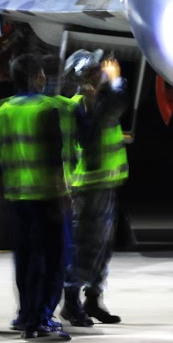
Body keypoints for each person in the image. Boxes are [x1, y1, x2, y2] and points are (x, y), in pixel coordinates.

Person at [0, 54, 75, 342]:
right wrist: (61, 196)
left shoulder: (1, 112)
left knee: (25, 261)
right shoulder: (47, 108)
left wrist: (0, 200)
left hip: (16, 199)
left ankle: (26, 316)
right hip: (45, 197)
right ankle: (41, 321)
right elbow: (55, 157)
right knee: (52, 261)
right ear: (37, 78)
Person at [59, 49, 129, 327]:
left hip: (104, 186)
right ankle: (71, 302)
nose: (102, 70)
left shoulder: (96, 103)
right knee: (83, 247)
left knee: (102, 247)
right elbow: (115, 107)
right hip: (87, 190)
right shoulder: (82, 107)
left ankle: (93, 298)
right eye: (96, 69)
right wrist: (116, 81)